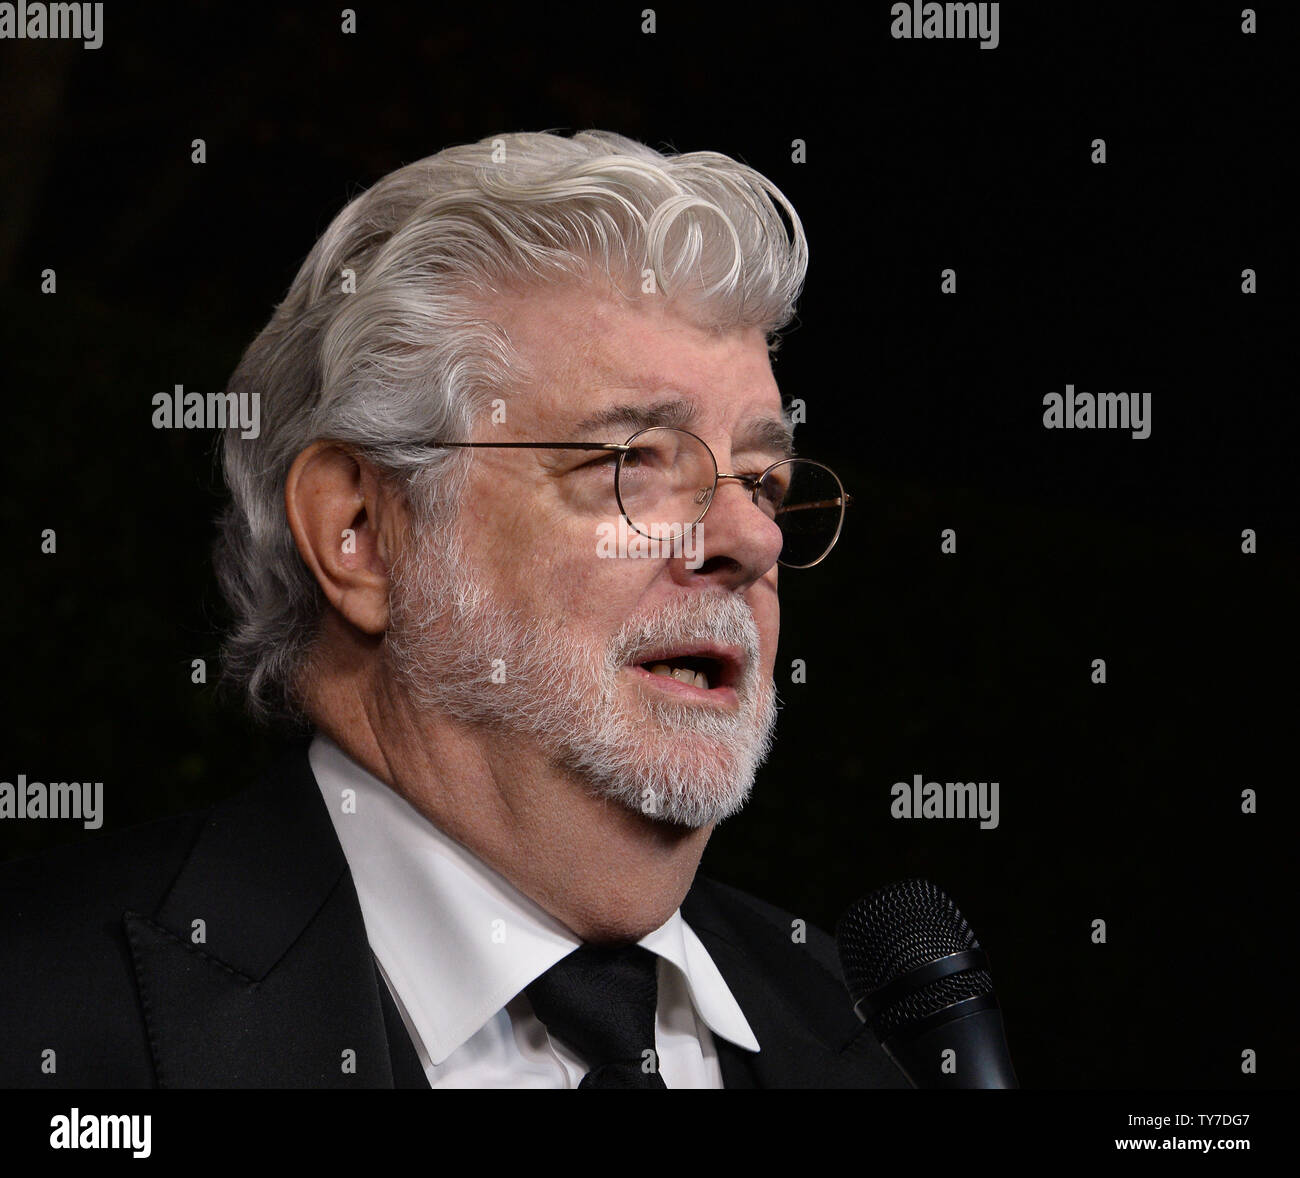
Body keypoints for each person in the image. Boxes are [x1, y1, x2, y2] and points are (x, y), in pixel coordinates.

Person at [0, 130, 905, 1088]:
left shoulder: (865, 1038)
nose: (753, 538)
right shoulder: (39, 1013)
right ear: (362, 530)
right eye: (632, 461)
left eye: (764, 481)